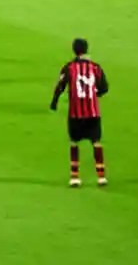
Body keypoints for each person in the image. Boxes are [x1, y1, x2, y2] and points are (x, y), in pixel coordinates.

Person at [50, 38, 109, 187]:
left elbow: (60, 85)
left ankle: (74, 176)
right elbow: (104, 87)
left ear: (74, 50)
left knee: (74, 142)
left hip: (76, 113)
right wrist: (96, 94)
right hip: (93, 112)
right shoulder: (96, 67)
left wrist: (54, 101)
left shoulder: (69, 67)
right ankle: (101, 176)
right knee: (96, 142)